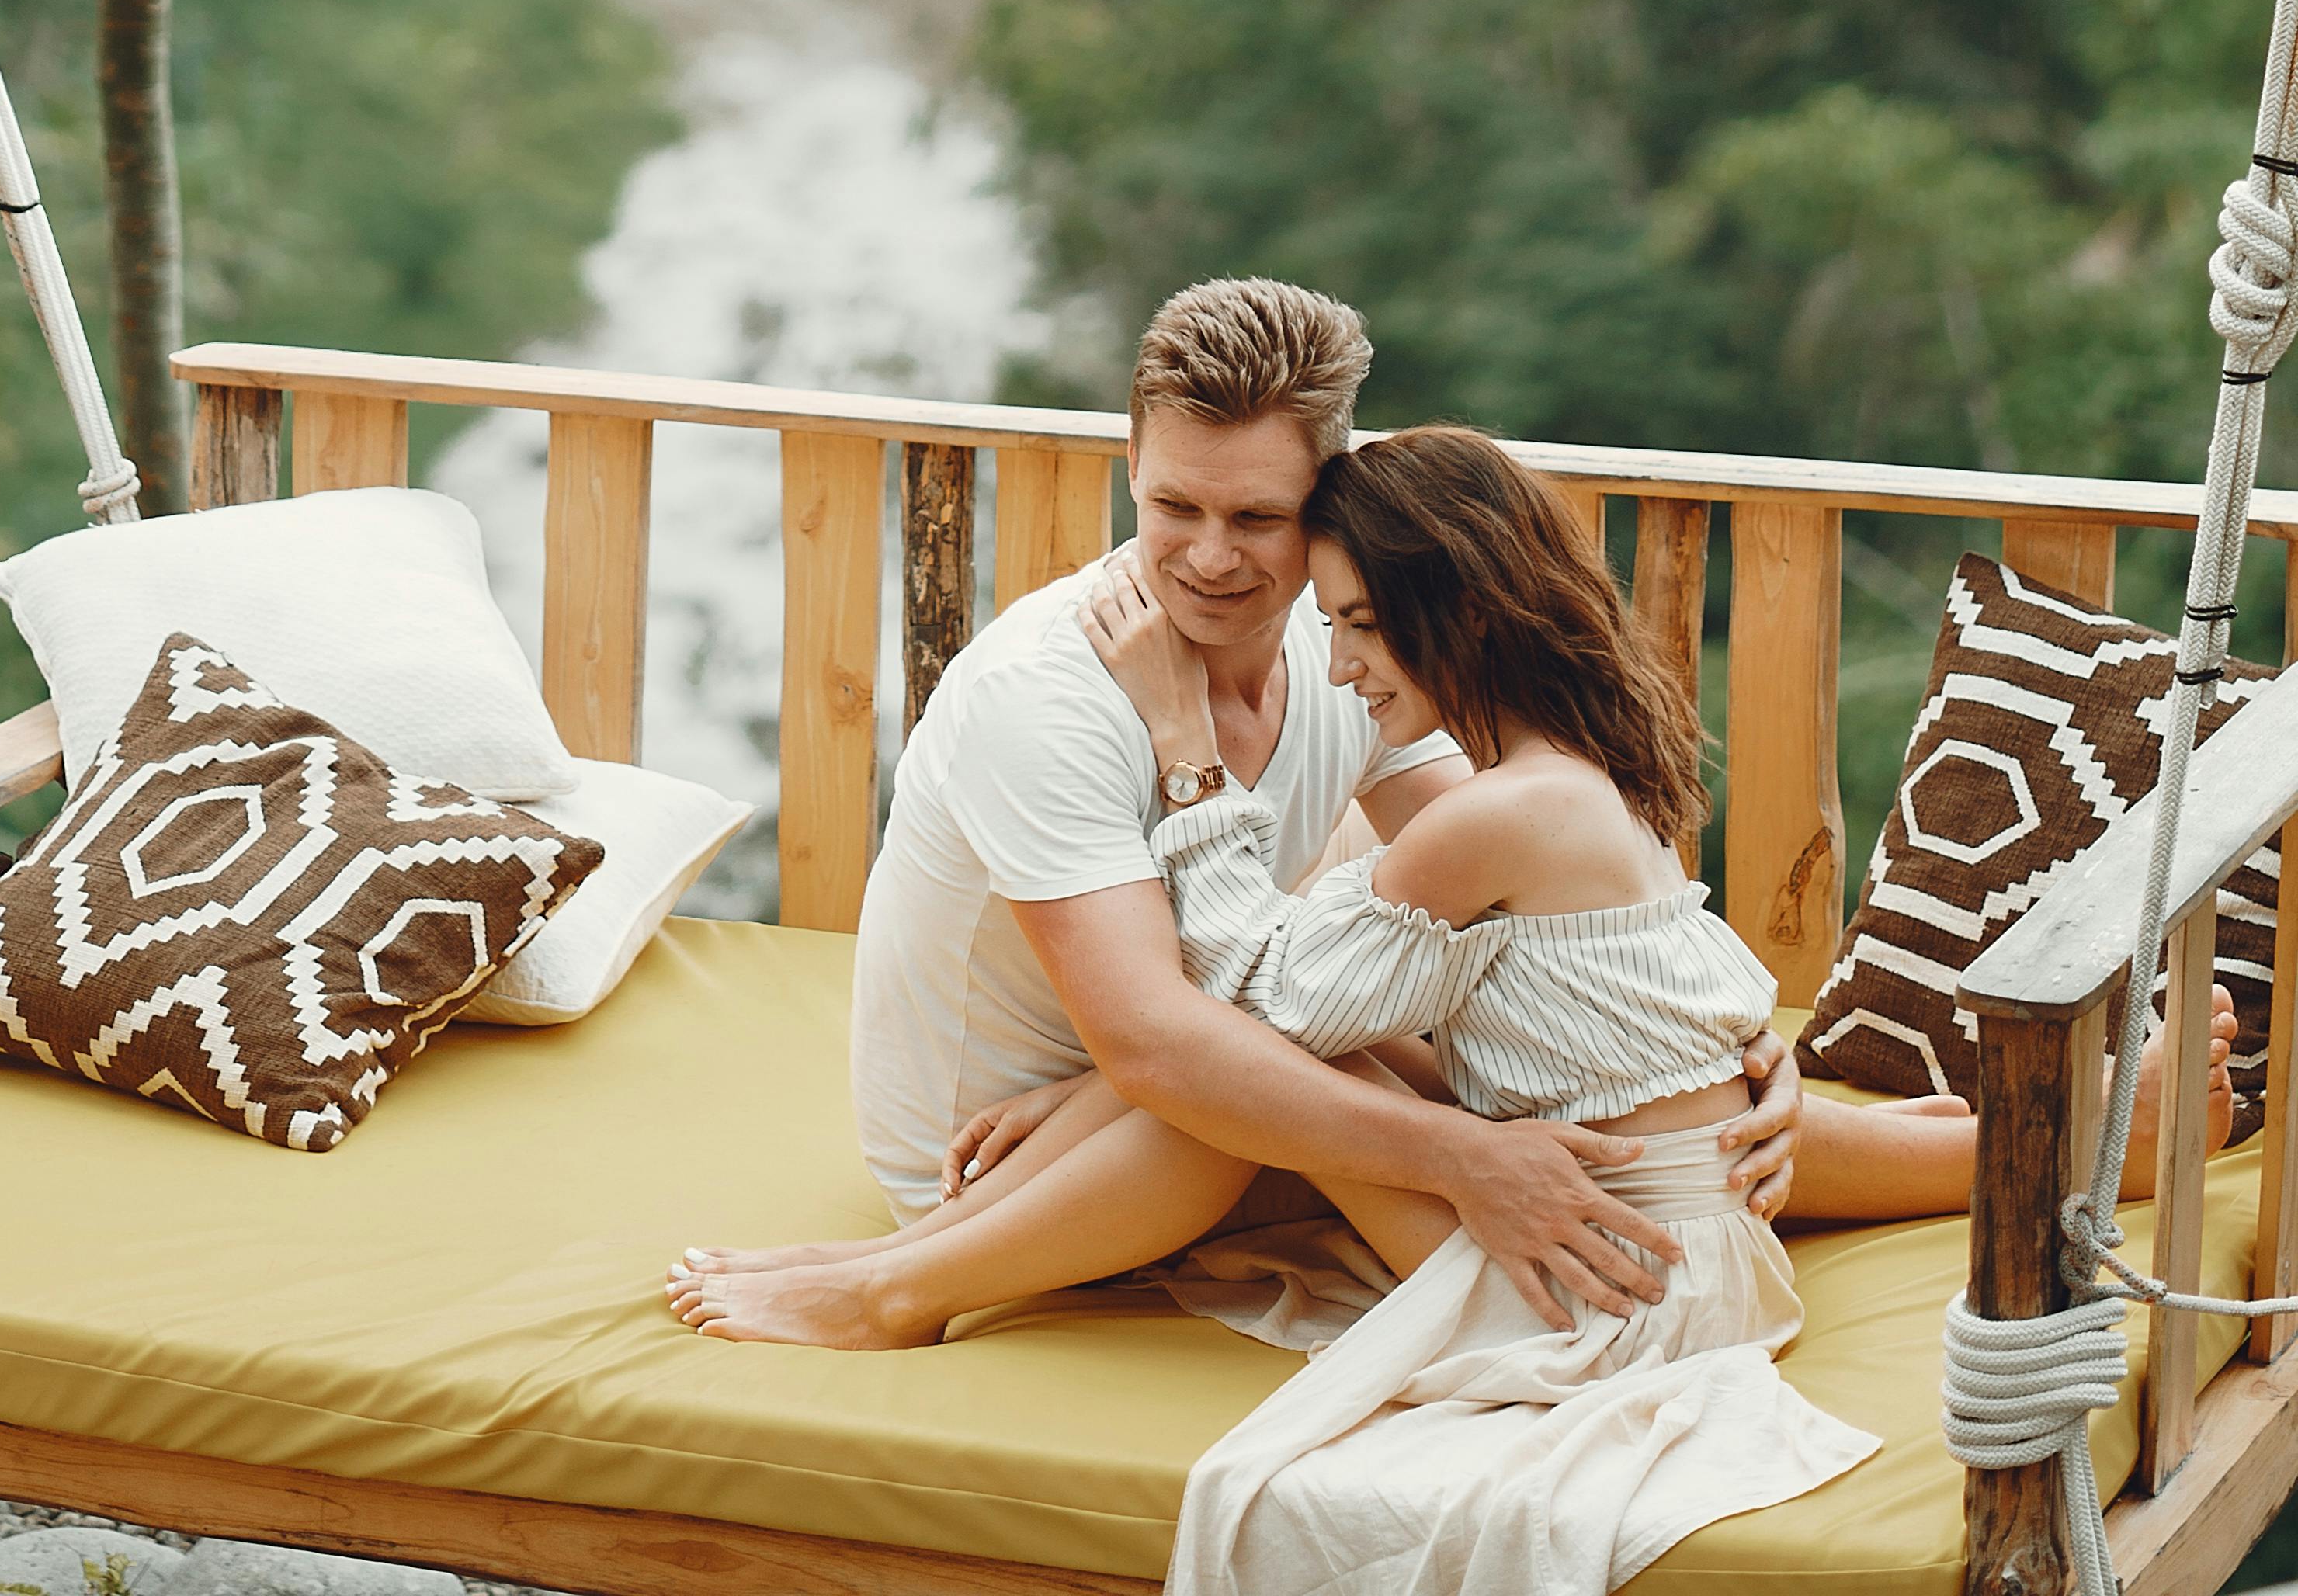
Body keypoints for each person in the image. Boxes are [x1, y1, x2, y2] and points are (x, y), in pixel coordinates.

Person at [734, 276, 1804, 1332]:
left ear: (1329, 499)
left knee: (1559, 1082)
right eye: (1173, 507)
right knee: (1275, 1053)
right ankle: (896, 1284)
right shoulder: (1045, 697)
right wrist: (1466, 1157)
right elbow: (1162, 1049)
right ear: (1132, 467)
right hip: (1006, 1178)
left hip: (1196, 1070)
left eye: (1257, 517)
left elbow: (1529, 892)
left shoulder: (1352, 647)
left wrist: (1731, 1051)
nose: (1209, 557)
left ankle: (1937, 1145)